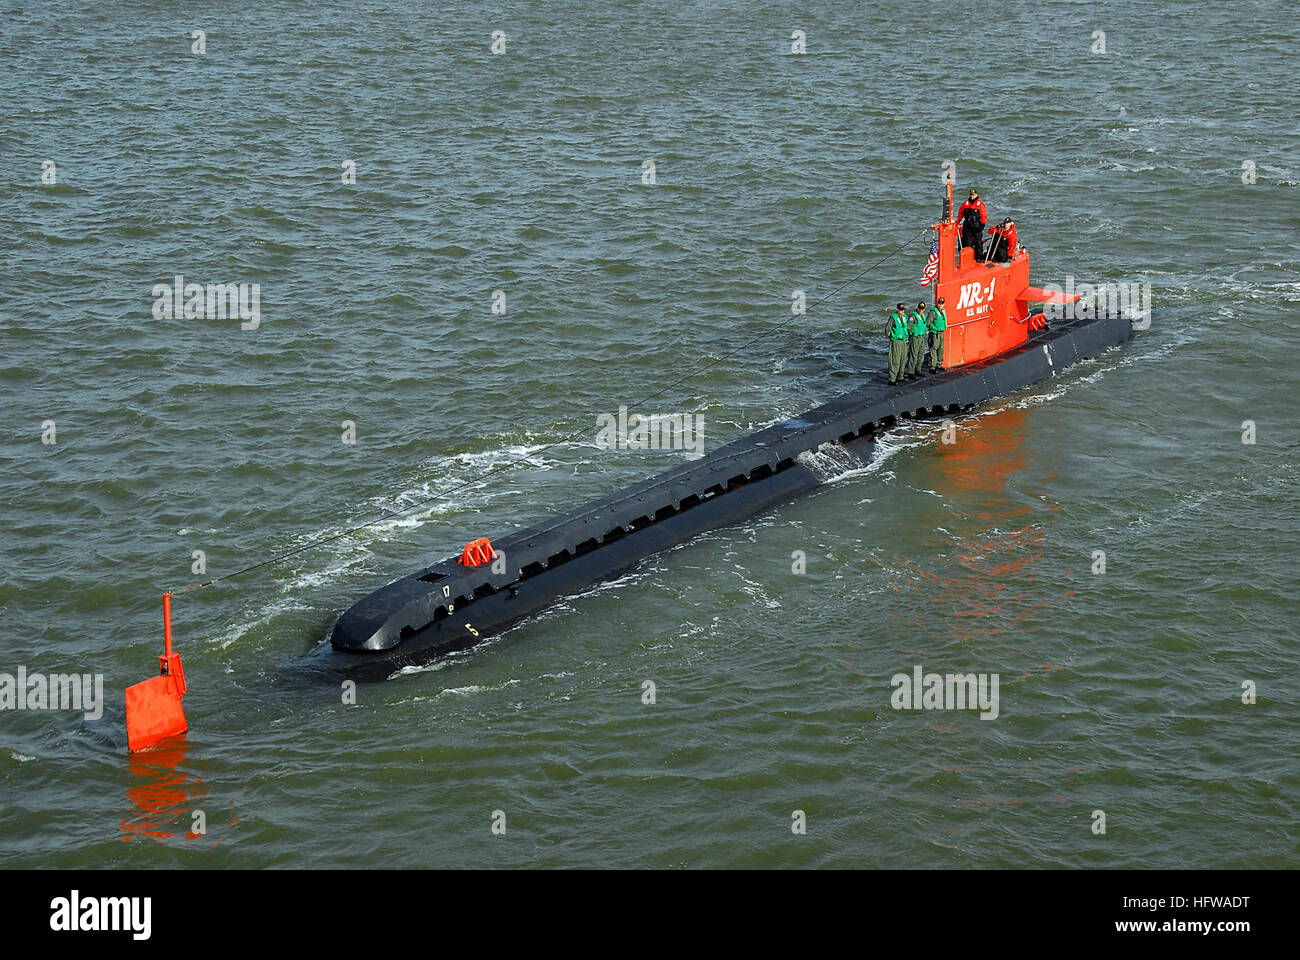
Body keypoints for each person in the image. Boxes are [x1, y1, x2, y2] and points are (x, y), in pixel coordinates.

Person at [956, 189, 987, 258]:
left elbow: (984, 216)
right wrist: (958, 221)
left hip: (976, 226)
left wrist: (982, 225)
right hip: (967, 225)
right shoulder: (965, 204)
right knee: (967, 242)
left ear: (976, 195)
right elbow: (960, 213)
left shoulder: (980, 205)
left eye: (973, 195)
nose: (972, 196)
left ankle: (979, 257)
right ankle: (968, 257)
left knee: (978, 242)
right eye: (971, 195)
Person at [886, 302, 908, 384]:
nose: (902, 311)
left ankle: (900, 376)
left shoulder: (904, 316)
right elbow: (887, 330)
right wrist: (893, 337)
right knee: (895, 360)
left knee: (903, 358)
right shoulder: (893, 318)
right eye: (901, 310)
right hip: (896, 341)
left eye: (903, 310)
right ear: (897, 309)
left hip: (903, 340)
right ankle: (892, 379)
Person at [906, 301, 928, 378]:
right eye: (920, 308)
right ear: (917, 308)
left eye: (922, 309)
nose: (921, 310)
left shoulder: (923, 316)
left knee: (921, 354)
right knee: (913, 354)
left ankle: (918, 370)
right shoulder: (913, 316)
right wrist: (911, 335)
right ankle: (911, 372)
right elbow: (908, 327)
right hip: (915, 337)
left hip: (921, 337)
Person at [927, 297, 947, 372]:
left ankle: (939, 364)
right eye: (939, 303)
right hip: (935, 333)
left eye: (942, 304)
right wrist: (934, 328)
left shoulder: (943, 311)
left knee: (941, 349)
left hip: (941, 333)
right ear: (937, 303)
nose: (940, 305)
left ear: (944, 304)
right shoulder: (933, 312)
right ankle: (932, 366)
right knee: (934, 349)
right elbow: (928, 323)